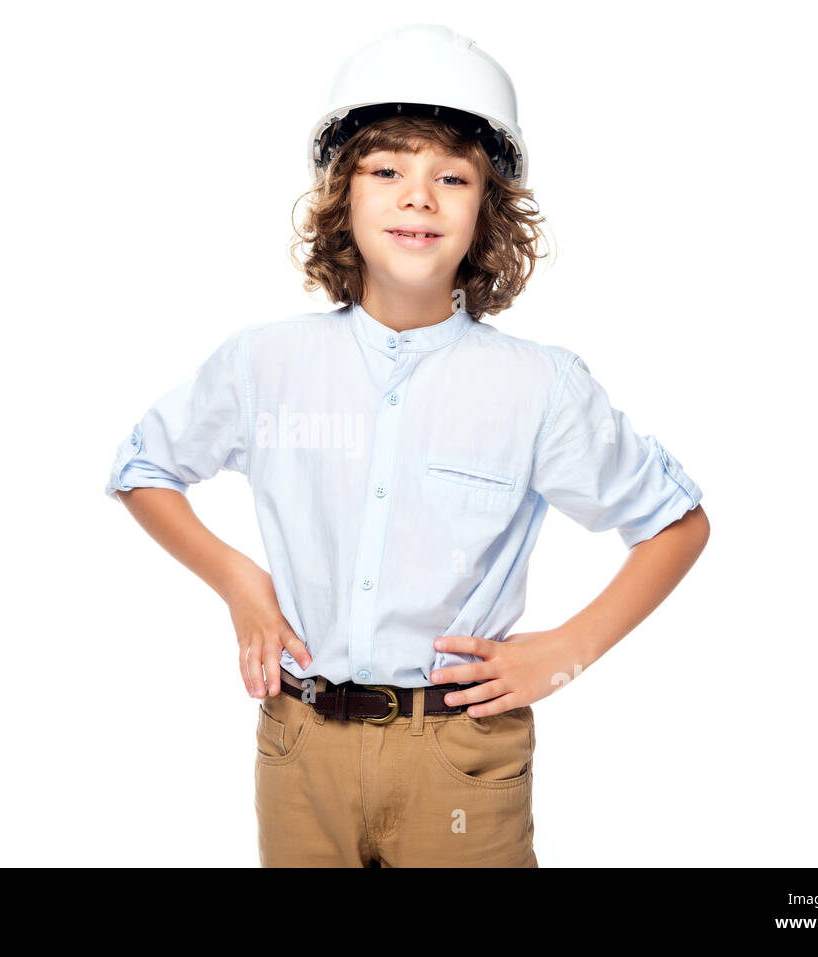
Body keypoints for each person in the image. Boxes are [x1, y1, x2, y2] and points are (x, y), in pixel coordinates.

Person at [105, 23, 709, 867]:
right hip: (299, 748)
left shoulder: (541, 387)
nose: (417, 196)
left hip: (459, 757)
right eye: (385, 171)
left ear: (484, 213)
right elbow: (143, 469)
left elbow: (675, 523)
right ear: (342, 202)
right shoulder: (264, 363)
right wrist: (239, 582)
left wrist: (565, 653)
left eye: (451, 177)